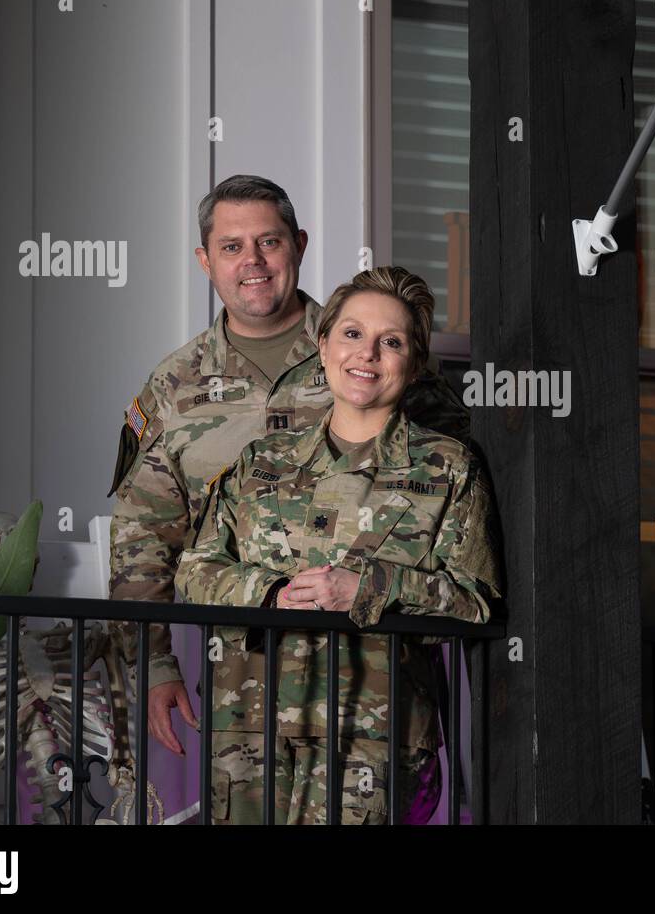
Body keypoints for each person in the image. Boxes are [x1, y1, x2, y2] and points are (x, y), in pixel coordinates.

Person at [107, 175, 467, 761]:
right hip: (242, 682)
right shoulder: (172, 386)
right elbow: (143, 538)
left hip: (376, 684)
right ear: (206, 260)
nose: (253, 261)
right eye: (232, 246)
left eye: (269, 242)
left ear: (300, 244)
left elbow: (456, 498)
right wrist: (153, 664)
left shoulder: (371, 347)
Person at [174, 266, 501, 824]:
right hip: (249, 729)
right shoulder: (261, 462)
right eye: (351, 334)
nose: (366, 354)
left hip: (373, 737)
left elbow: (476, 600)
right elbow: (195, 571)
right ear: (323, 346)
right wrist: (271, 594)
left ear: (414, 365)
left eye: (390, 342)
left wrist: (370, 589)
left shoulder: (448, 468)